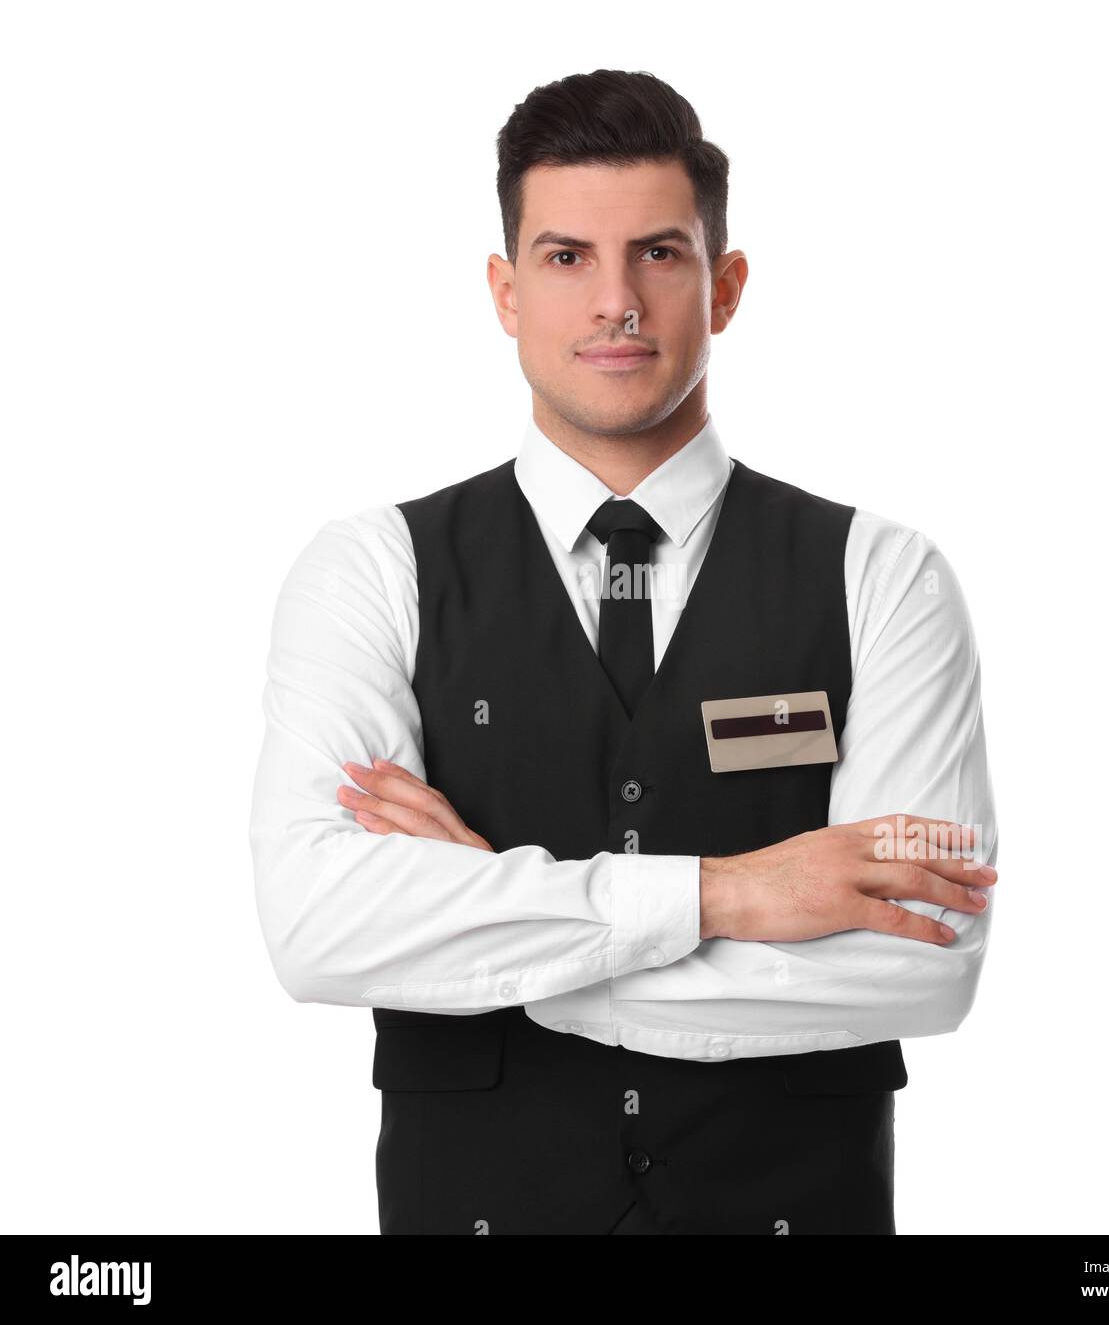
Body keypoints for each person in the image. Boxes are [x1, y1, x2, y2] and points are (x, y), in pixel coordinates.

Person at [249, 68, 998, 1236]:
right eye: (565, 259)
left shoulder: (884, 577)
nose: (616, 303)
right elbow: (320, 926)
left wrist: (500, 944)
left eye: (658, 253)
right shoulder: (370, 571)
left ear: (726, 284)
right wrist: (736, 893)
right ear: (504, 291)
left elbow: (923, 958)